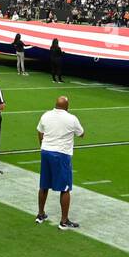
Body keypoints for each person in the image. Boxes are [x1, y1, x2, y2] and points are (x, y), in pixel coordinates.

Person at [36, 96, 84, 230]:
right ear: (67, 106)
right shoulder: (71, 118)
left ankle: (40, 214)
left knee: (44, 185)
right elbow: (81, 134)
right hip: (61, 154)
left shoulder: (46, 115)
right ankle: (63, 221)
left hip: (46, 151)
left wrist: (42, 145)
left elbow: (40, 131)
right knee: (65, 188)